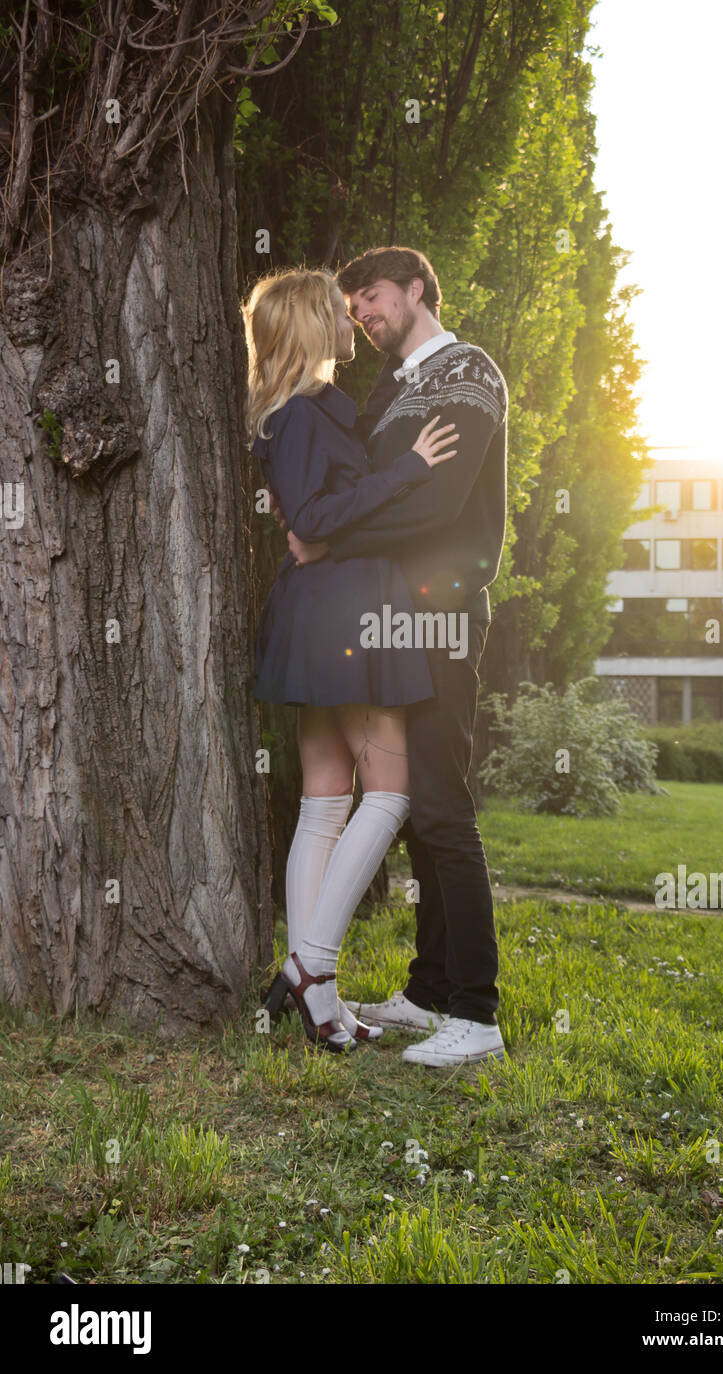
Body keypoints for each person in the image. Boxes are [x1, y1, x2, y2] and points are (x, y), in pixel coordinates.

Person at [280, 247, 509, 1068]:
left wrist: (328, 538)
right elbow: (368, 487)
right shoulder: (389, 390)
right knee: (409, 802)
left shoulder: (466, 372)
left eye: (370, 295)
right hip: (385, 617)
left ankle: (476, 1015)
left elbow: (441, 507)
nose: (361, 312)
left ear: (416, 289)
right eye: (350, 302)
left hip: (443, 616)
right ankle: (428, 990)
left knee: (443, 806)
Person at [241, 267, 459, 1054]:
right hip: (343, 608)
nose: (351, 320)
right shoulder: (300, 415)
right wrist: (409, 470)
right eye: (337, 311)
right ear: (309, 326)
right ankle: (309, 969)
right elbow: (311, 516)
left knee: (327, 800)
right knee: (388, 794)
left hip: (331, 603)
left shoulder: (309, 410)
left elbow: (311, 511)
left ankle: (319, 1004)